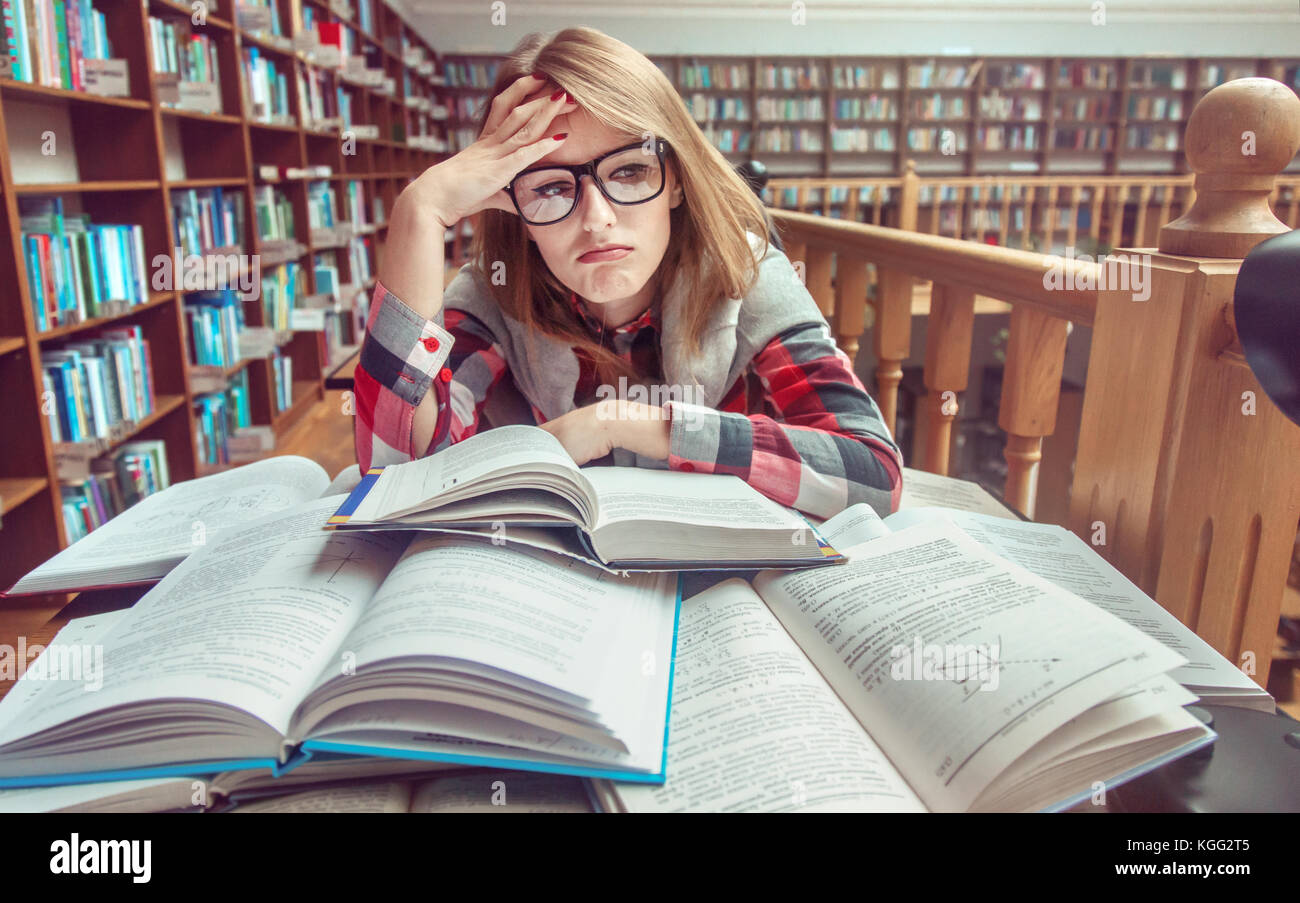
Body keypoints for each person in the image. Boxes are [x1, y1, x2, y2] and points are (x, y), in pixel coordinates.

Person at [353, 26, 903, 520]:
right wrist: (420, 212)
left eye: (632, 170)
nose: (598, 220)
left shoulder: (747, 273)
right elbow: (398, 473)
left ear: (679, 180)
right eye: (549, 187)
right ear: (514, 208)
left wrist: (624, 423)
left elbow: (873, 475)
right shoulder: (492, 290)